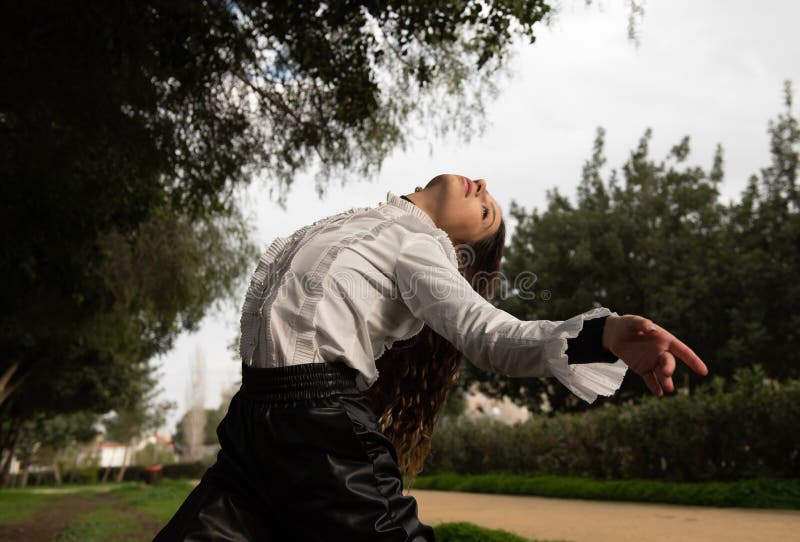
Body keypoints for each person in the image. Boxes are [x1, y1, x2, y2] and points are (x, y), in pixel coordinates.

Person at [154, 174, 708, 541]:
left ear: (461, 247)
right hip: (255, 419)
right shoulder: (356, 221)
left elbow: (493, 335)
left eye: (486, 210)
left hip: (322, 426)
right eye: (487, 197)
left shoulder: (422, 249)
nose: (483, 187)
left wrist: (602, 335)